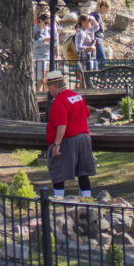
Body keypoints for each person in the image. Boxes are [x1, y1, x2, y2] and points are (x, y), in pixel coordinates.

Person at [45, 69, 94, 199]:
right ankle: (87, 198)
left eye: (48, 86)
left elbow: (62, 125)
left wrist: (57, 144)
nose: (48, 90)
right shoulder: (78, 96)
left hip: (68, 139)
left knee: (58, 168)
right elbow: (86, 115)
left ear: (54, 85)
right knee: (83, 172)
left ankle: (58, 198)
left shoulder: (59, 101)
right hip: (84, 138)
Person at [32, 13, 52, 92]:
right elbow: (32, 44)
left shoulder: (47, 30)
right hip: (38, 57)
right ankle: (39, 95)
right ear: (40, 20)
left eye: (48, 23)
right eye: (45, 23)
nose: (46, 25)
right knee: (40, 79)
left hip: (47, 56)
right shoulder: (34, 30)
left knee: (46, 79)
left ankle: (45, 94)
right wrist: (43, 40)